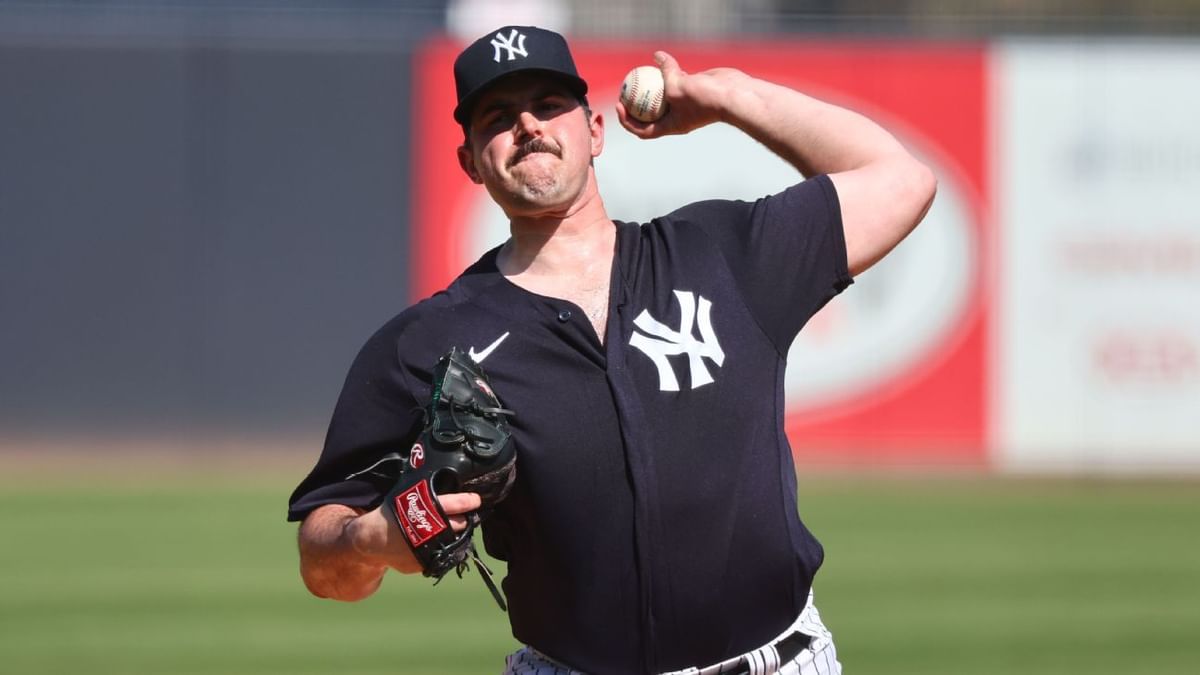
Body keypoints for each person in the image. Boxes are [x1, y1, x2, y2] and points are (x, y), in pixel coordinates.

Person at [288, 24, 935, 675]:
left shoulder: (719, 256)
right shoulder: (426, 342)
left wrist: (731, 96)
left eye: (548, 105)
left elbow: (902, 181)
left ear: (595, 131)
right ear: (471, 161)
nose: (528, 126)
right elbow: (323, 563)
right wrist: (368, 539)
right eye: (498, 117)